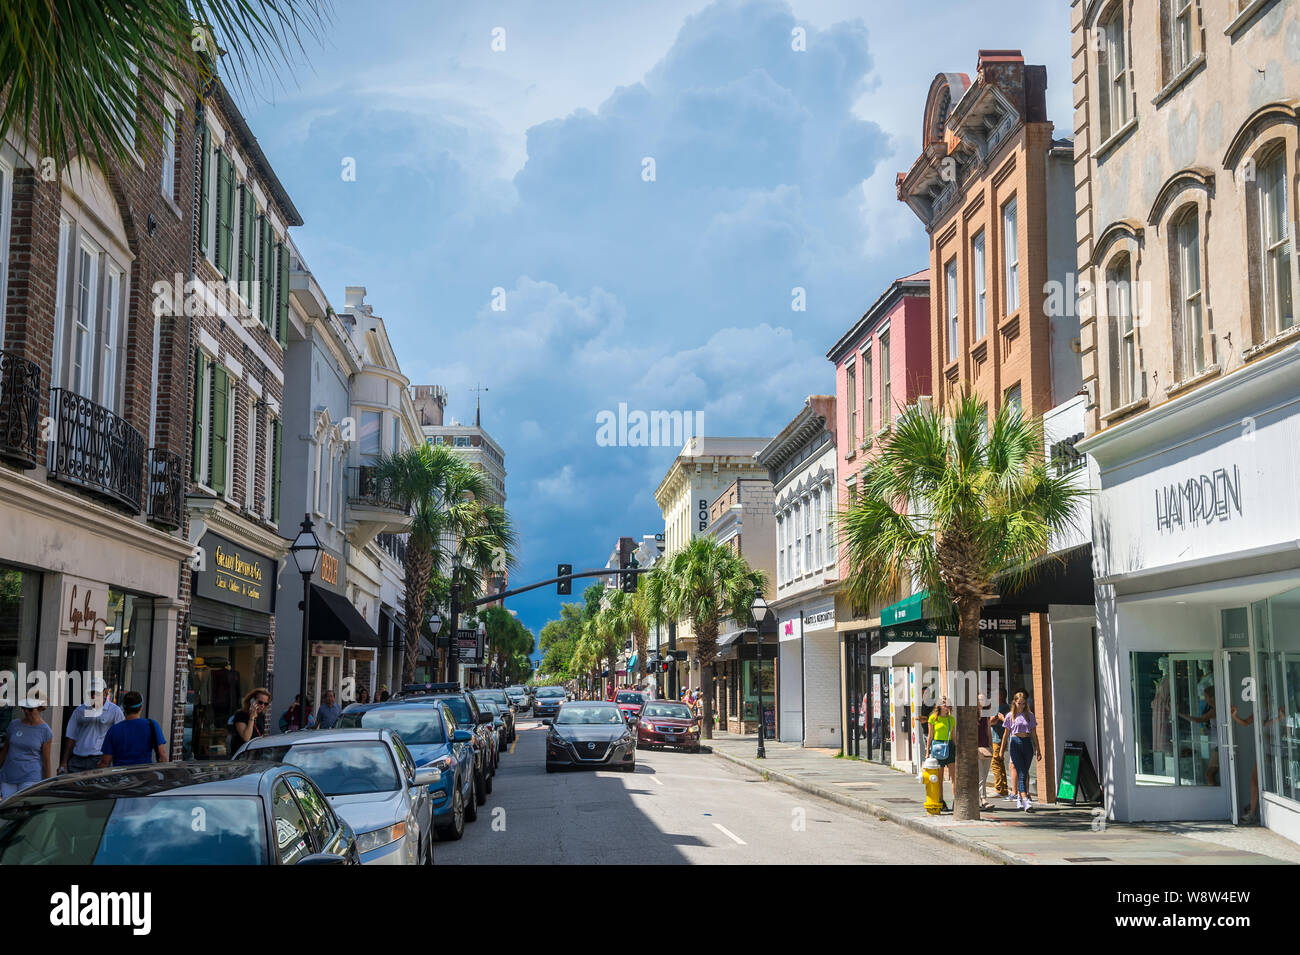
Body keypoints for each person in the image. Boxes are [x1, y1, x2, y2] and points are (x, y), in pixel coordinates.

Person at [59, 678, 124, 775]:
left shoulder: (115, 711)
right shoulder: (80, 710)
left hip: (100, 759)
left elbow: (120, 738)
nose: (93, 696)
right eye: (91, 693)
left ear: (105, 693)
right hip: (78, 759)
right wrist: (64, 762)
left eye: (97, 693)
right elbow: (71, 737)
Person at [0, 691, 53, 798]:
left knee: (25, 810)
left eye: (29, 709)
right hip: (8, 775)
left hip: (31, 777)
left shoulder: (46, 731)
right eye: (24, 707)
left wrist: (47, 784)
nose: (26, 711)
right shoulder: (14, 725)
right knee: (7, 811)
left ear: (39, 708)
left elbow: (46, 760)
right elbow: (5, 751)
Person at [99, 692, 168, 767]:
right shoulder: (152, 725)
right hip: (145, 775)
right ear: (141, 707)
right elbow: (162, 755)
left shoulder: (114, 730)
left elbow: (105, 762)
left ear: (124, 708)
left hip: (121, 775)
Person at [1004, 689, 1042, 811]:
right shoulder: (1010, 715)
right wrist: (1001, 749)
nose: (1021, 705)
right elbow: (1006, 733)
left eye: (1023, 703)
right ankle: (1026, 800)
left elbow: (1034, 734)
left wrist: (1038, 749)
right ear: (1014, 703)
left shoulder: (1029, 715)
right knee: (1020, 772)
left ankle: (1020, 798)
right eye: (1019, 703)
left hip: (1027, 743)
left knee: (1025, 772)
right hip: (1015, 742)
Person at [927, 697, 956, 811]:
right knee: (939, 778)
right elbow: (930, 736)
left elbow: (954, 736)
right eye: (944, 705)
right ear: (939, 706)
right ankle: (940, 800)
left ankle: (956, 801)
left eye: (948, 705)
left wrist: (957, 748)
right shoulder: (933, 719)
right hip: (937, 747)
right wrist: (927, 751)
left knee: (954, 777)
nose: (947, 707)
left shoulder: (951, 720)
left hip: (949, 746)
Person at [231, 688, 271, 755]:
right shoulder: (240, 715)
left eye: (265, 704)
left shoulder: (261, 715)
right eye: (260, 702)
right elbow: (246, 738)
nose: (262, 706)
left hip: (254, 754)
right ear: (252, 701)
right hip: (242, 754)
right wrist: (251, 717)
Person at [989, 687, 1011, 799]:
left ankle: (999, 788)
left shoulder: (1004, 708)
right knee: (1000, 764)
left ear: (1002, 696)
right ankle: (1004, 789)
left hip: (999, 739)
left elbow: (992, 721)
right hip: (995, 738)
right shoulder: (998, 707)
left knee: (995, 763)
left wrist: (992, 720)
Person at [976, 694, 994, 810]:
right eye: (980, 699)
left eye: (984, 699)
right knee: (980, 775)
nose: (983, 701)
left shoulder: (986, 716)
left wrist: (991, 747)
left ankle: (980, 799)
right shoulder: (972, 716)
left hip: (986, 748)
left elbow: (988, 732)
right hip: (976, 748)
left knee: (984, 776)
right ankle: (983, 800)